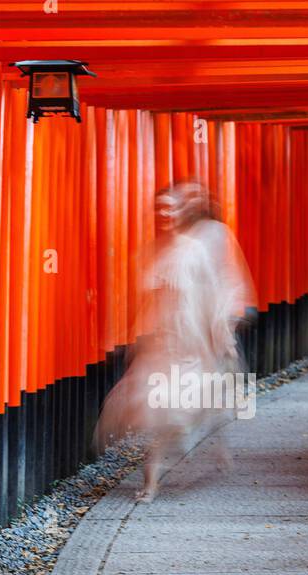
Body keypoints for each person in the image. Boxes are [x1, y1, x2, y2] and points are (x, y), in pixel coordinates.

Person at [95, 179, 256, 502]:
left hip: (192, 339)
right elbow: (143, 301)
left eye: (171, 207)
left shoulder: (197, 247)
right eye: (160, 208)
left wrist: (221, 332)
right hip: (162, 343)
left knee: (191, 406)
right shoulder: (153, 250)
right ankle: (151, 482)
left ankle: (215, 444)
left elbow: (212, 293)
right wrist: (132, 335)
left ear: (182, 210)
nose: (165, 213)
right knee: (159, 412)